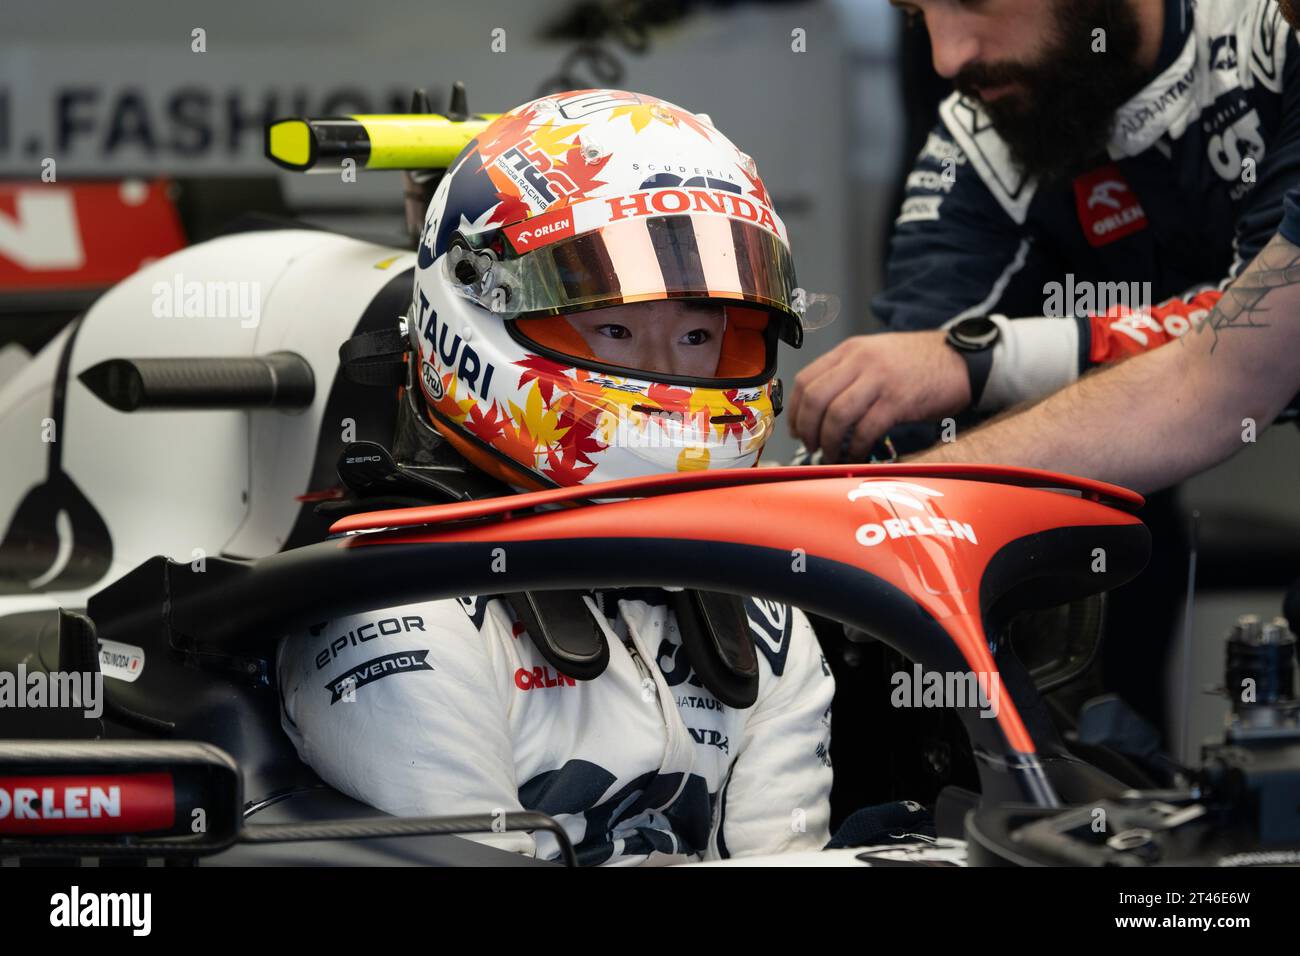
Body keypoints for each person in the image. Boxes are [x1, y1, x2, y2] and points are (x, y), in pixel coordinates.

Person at [277, 89, 835, 866]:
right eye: (614, 327)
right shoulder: (405, 622)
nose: (672, 374)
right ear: (476, 316)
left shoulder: (771, 620)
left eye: (701, 334)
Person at [789, 0, 1300, 462]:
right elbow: (902, 400)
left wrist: (983, 357)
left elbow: (1249, 350)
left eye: (971, 1)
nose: (946, 58)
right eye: (915, 14)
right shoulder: (976, 141)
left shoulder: (1278, 27)